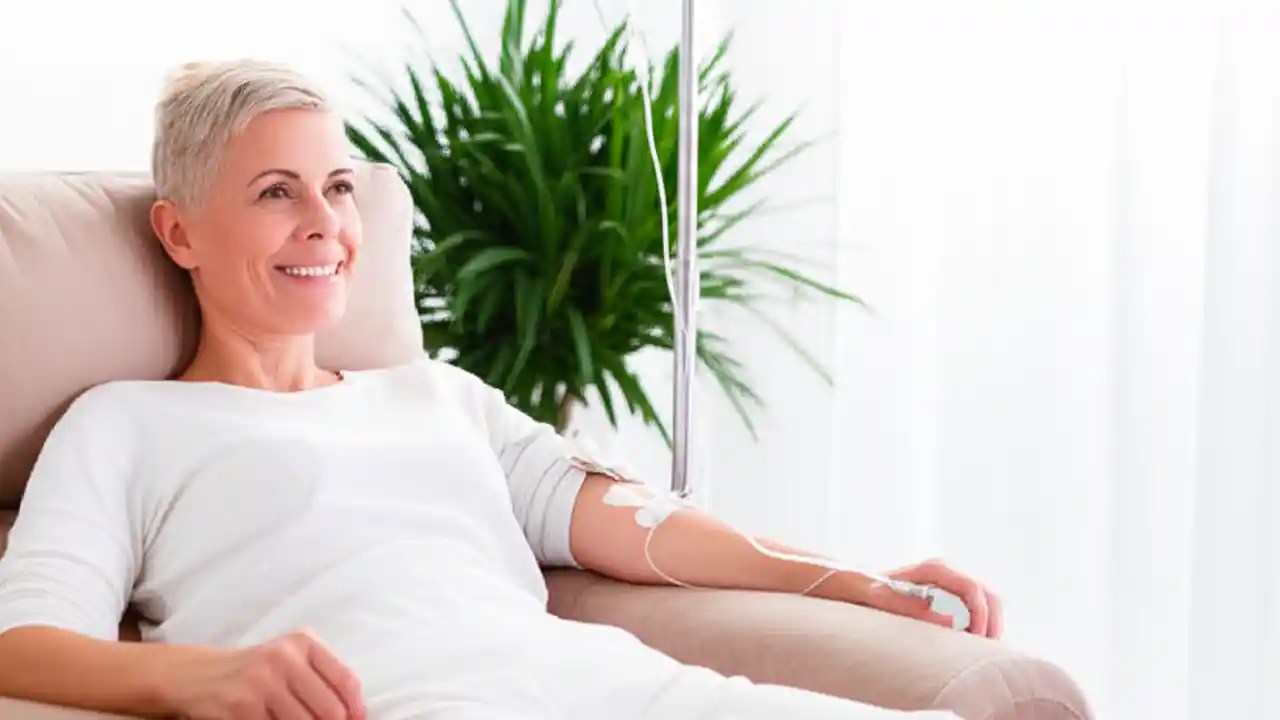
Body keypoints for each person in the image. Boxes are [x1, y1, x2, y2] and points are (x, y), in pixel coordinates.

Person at [0, 60, 997, 720]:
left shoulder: (441, 396)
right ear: (179, 234)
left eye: (338, 187)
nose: (324, 223)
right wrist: (199, 679)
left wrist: (858, 582)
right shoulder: (126, 423)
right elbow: (22, 644)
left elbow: (644, 523)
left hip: (621, 693)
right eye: (275, 192)